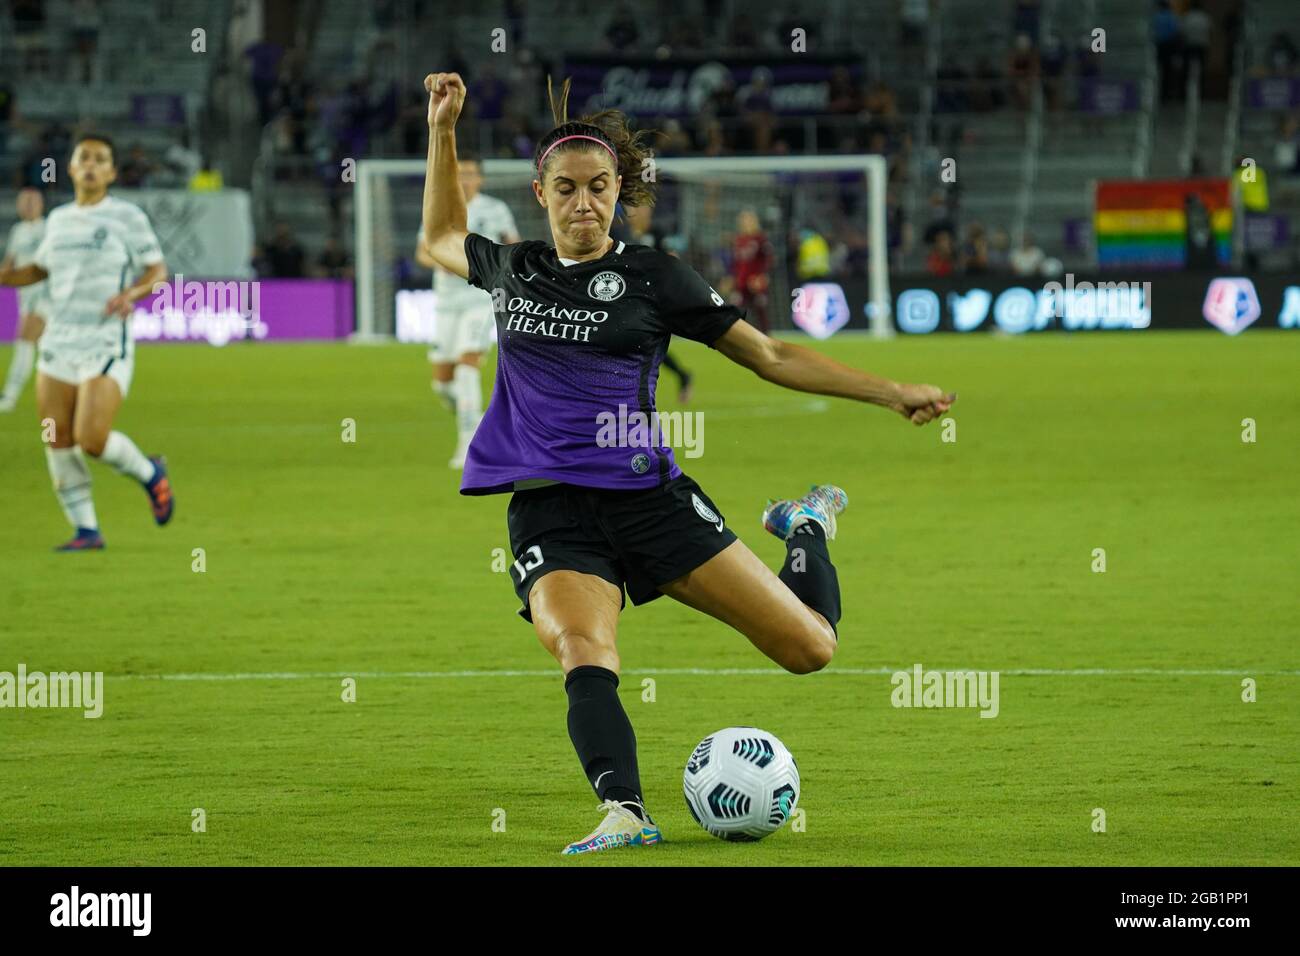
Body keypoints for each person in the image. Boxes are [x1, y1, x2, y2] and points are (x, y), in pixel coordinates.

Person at [420, 72, 955, 854]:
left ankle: (804, 526)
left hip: (650, 501)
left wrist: (890, 391)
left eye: (598, 188)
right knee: (581, 648)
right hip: (552, 508)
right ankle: (625, 810)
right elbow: (436, 239)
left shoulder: (657, 278)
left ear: (619, 193)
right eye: (565, 188)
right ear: (539, 193)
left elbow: (769, 355)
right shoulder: (513, 268)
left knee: (811, 649)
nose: (582, 204)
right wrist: (443, 130)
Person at [0, 134, 174, 550]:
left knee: (91, 438)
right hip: (58, 341)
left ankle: (151, 474)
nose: (92, 165)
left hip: (104, 340)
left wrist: (133, 294)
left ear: (112, 173)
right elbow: (39, 270)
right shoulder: (58, 221)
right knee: (55, 436)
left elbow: (157, 270)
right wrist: (6, 277)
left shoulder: (127, 217)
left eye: (101, 160)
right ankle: (86, 530)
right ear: (73, 169)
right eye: (85, 158)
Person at [413, 153, 520, 468]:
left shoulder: (495, 209)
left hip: (479, 298)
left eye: (470, 173)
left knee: (466, 368)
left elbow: (513, 244)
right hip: (446, 303)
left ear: (480, 178)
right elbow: (422, 251)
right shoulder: (439, 207)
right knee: (443, 385)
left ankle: (469, 443)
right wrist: (440, 262)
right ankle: (476, 414)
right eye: (458, 173)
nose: (464, 179)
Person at [0, 187, 48, 411]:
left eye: (32, 202)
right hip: (25, 295)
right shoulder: (18, 230)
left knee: (25, 340)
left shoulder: (49, 228)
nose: (28, 206)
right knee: (48, 348)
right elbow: (9, 262)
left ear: (41, 205)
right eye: (24, 202)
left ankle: (9, 397)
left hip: (46, 293)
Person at [731, 208, 772, 334]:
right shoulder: (738, 240)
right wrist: (732, 279)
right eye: (743, 220)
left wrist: (762, 277)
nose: (745, 222)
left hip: (756, 282)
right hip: (741, 283)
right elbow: (736, 263)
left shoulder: (760, 239)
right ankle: (740, 337)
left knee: (760, 310)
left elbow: (768, 259)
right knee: (736, 310)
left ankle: (766, 337)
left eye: (748, 219)